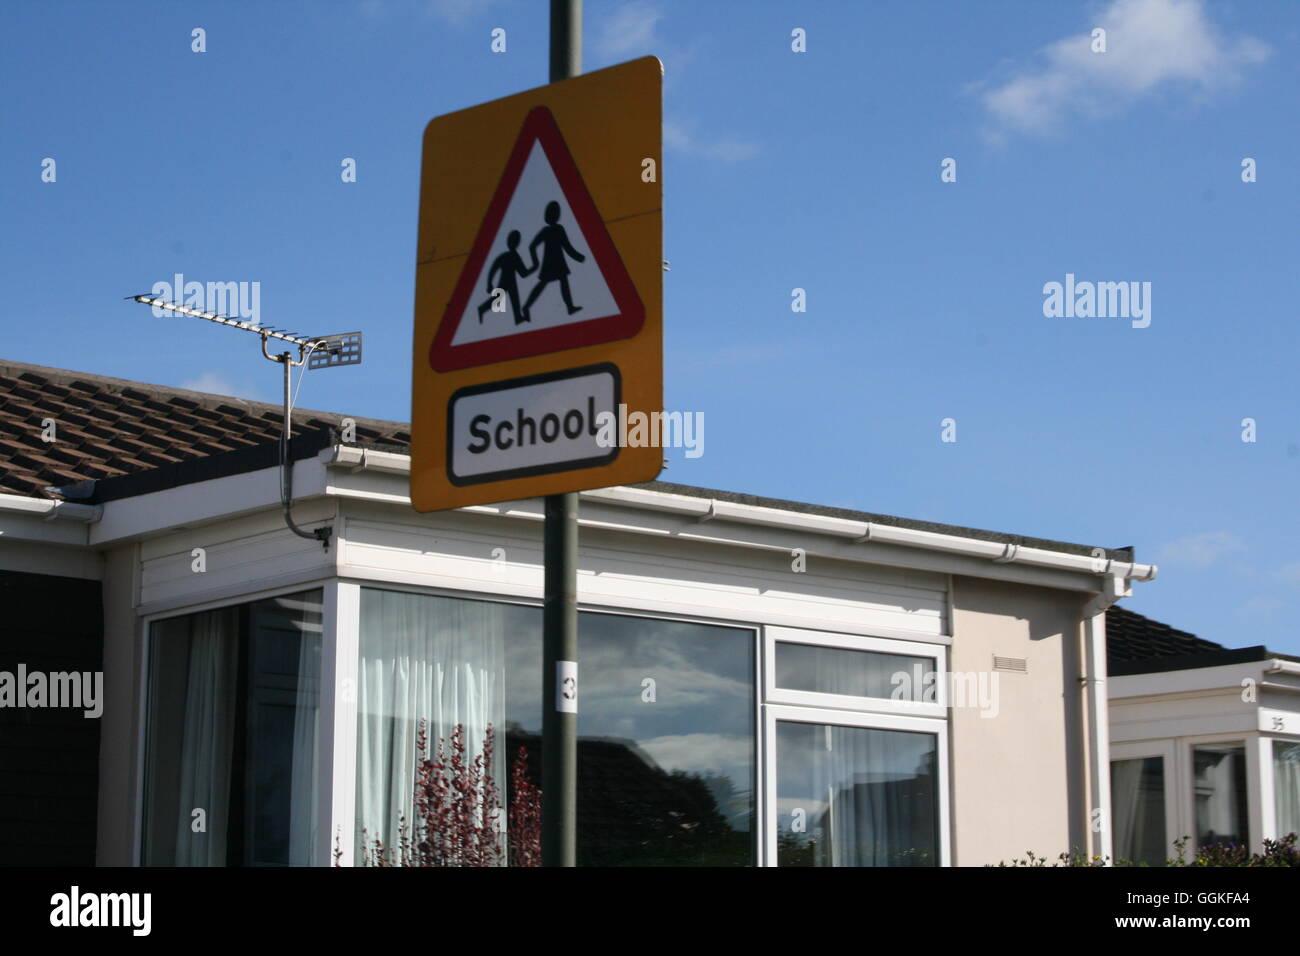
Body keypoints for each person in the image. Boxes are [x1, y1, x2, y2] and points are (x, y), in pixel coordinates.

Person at [521, 200, 585, 322]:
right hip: (551, 263)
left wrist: (578, 257)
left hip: (558, 261)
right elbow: (533, 246)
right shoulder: (550, 230)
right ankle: (526, 306)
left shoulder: (557, 229)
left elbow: (567, 246)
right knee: (543, 284)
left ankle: (569, 307)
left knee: (562, 282)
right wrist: (536, 262)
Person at [476, 230, 534, 325]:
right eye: (513, 240)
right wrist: (489, 283)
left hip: (511, 282)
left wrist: (533, 268)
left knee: (514, 298)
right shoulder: (507, 256)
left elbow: (523, 273)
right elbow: (494, 268)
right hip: (505, 282)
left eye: (515, 240)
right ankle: (481, 309)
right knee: (497, 300)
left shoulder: (514, 256)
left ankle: (517, 317)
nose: (514, 242)